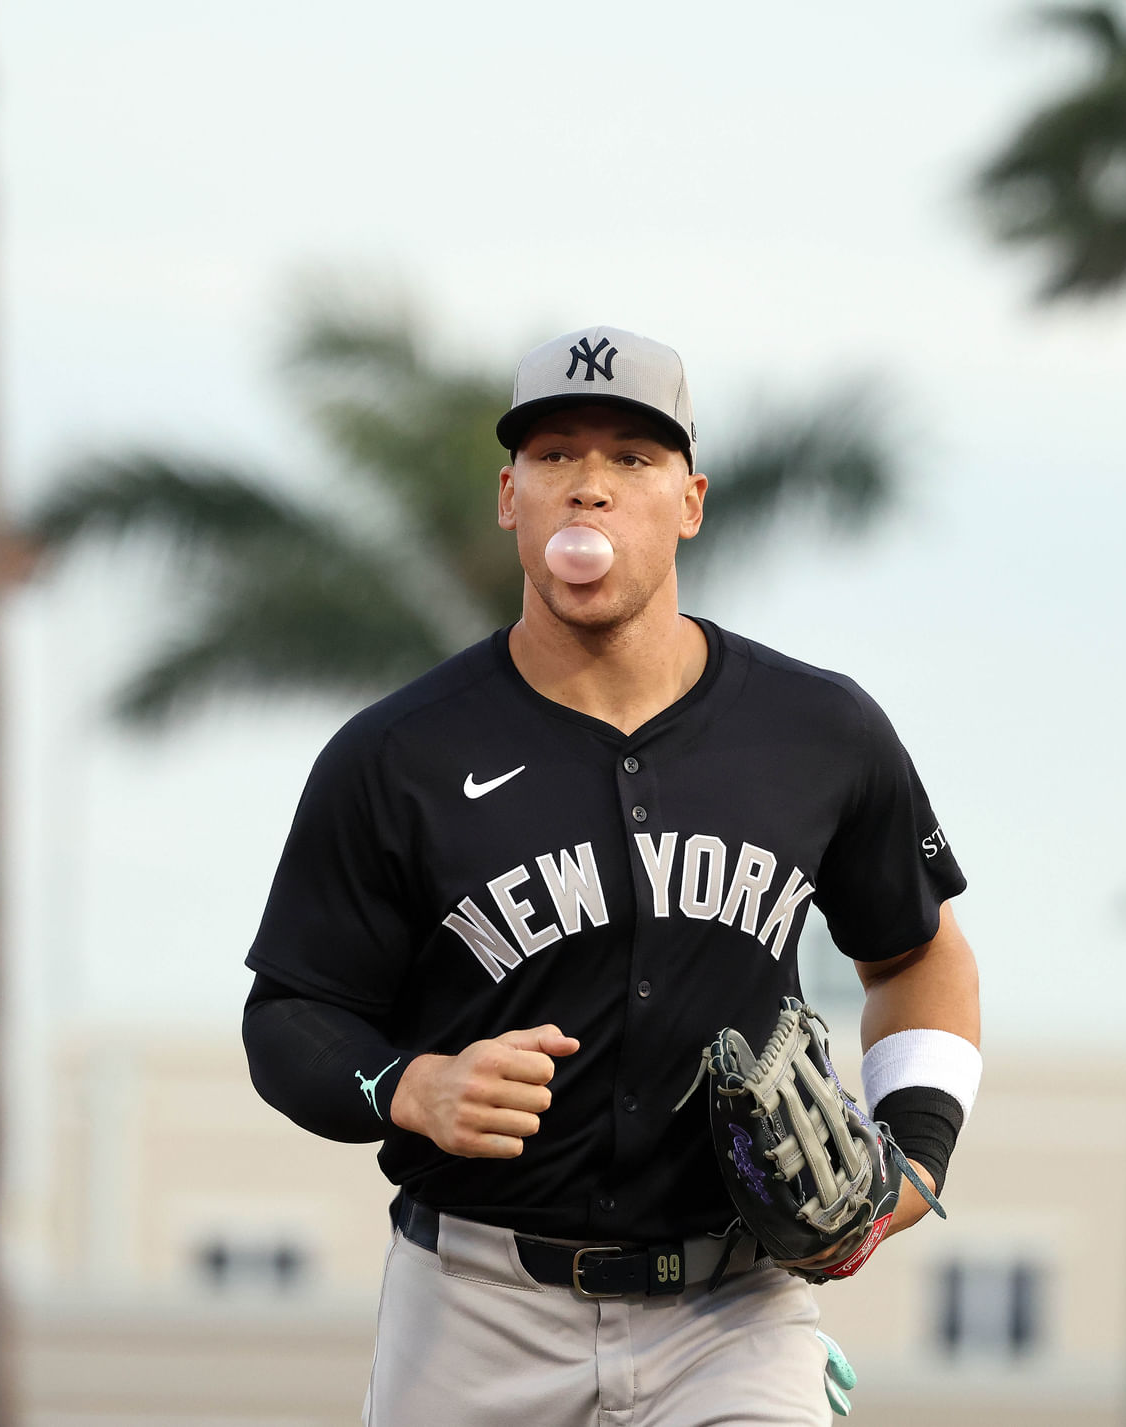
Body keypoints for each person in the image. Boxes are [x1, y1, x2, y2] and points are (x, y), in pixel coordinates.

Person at [242, 326, 983, 1426]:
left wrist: (911, 1166)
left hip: (733, 1310)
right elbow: (291, 1014)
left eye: (631, 459)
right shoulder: (398, 754)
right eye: (556, 456)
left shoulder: (816, 730)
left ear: (688, 499)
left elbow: (917, 954)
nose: (589, 488)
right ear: (510, 496)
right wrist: (408, 1084)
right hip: (475, 1303)